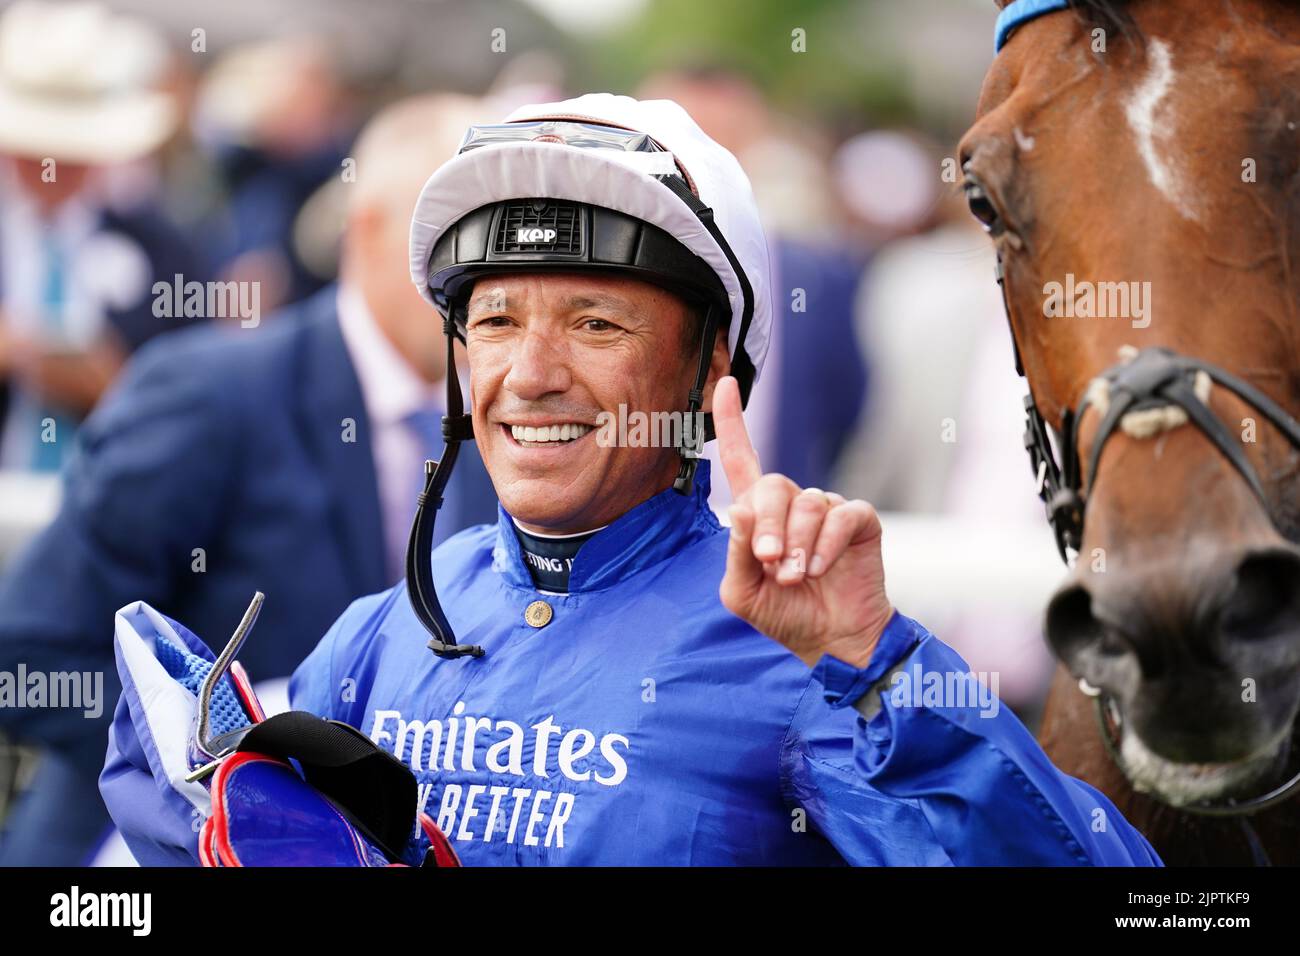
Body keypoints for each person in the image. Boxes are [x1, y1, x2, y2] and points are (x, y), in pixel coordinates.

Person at [101, 92, 1161, 866]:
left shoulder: (803, 650)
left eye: (595, 324)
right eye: (496, 320)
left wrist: (878, 668)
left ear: (711, 369)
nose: (530, 375)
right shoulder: (376, 636)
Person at [0, 94, 498, 866]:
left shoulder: (500, 434)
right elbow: (31, 651)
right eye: (455, 243)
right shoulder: (210, 393)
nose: (485, 283)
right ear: (366, 230)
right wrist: (239, 756)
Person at [0, 1, 206, 472]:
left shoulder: (163, 248)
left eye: (71, 151)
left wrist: (115, 386)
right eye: (34, 150)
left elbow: (193, 395)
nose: (52, 167)